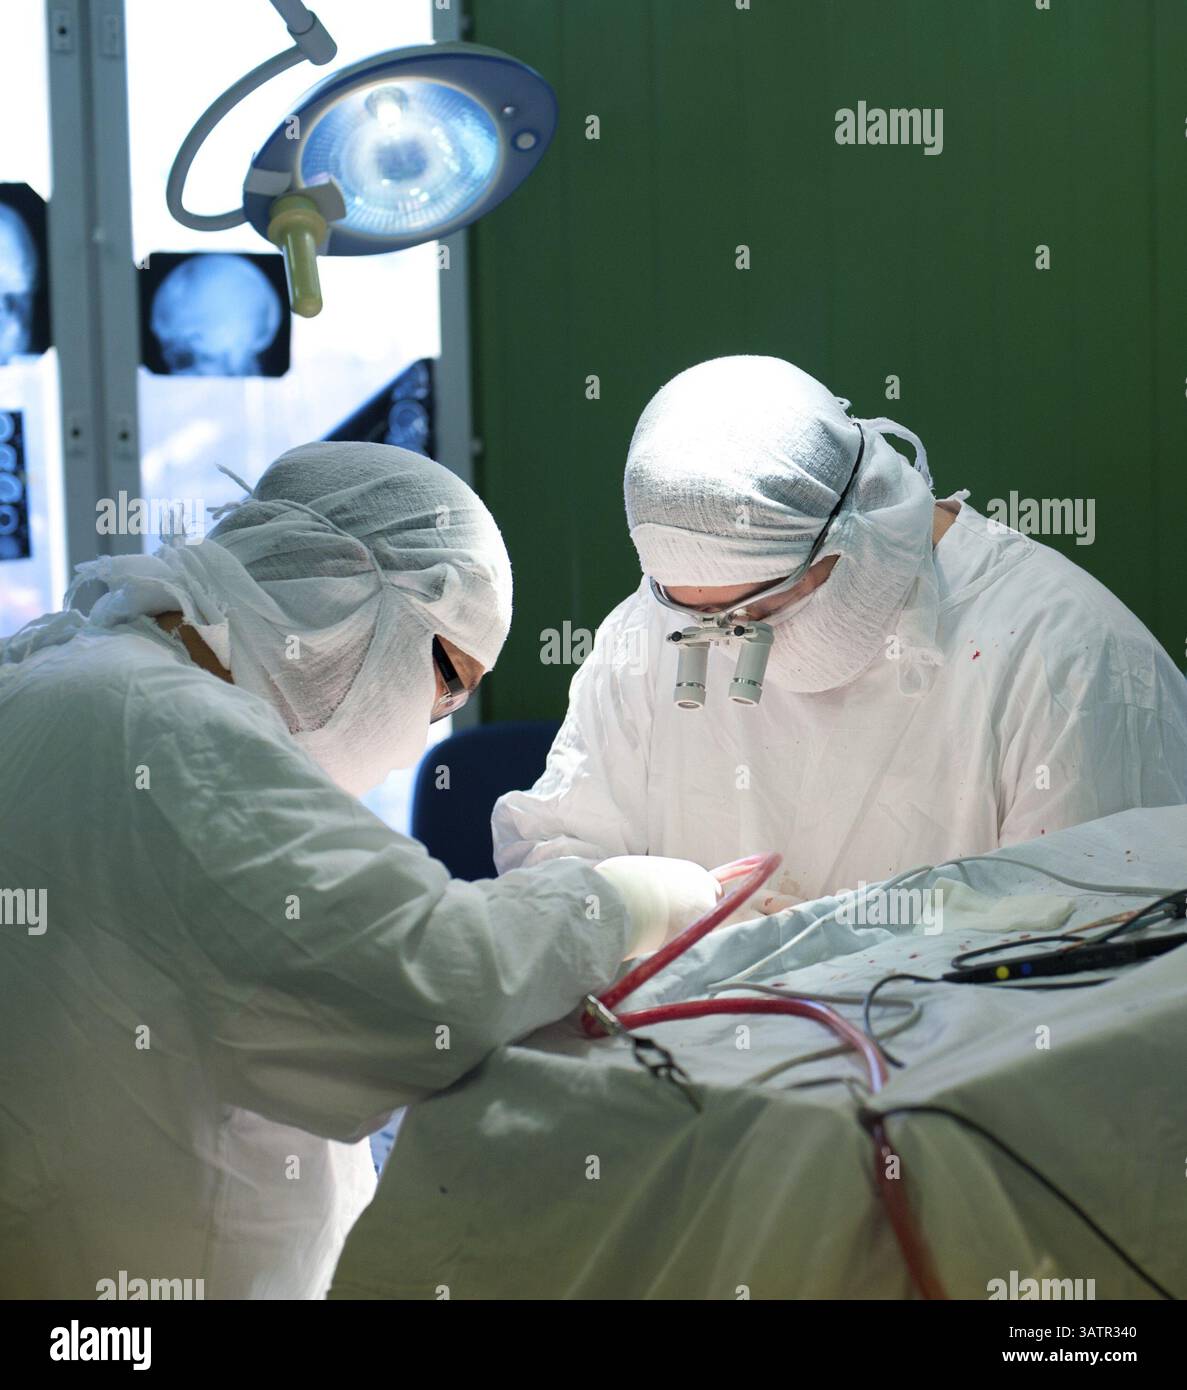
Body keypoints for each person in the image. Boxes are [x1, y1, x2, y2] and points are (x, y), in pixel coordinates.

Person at [0, 441, 717, 1299]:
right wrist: (627, 897)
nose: (428, 726)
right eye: (446, 679)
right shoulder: (167, 730)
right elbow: (436, 980)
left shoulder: (57, 676)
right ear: (341, 586)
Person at [493, 355, 1187, 910]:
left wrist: (832, 960)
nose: (729, 647)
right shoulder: (653, 635)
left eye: (756, 617)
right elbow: (560, 861)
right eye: (698, 620)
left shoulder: (1067, 659)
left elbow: (1095, 949)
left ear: (857, 537)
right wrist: (647, 922)